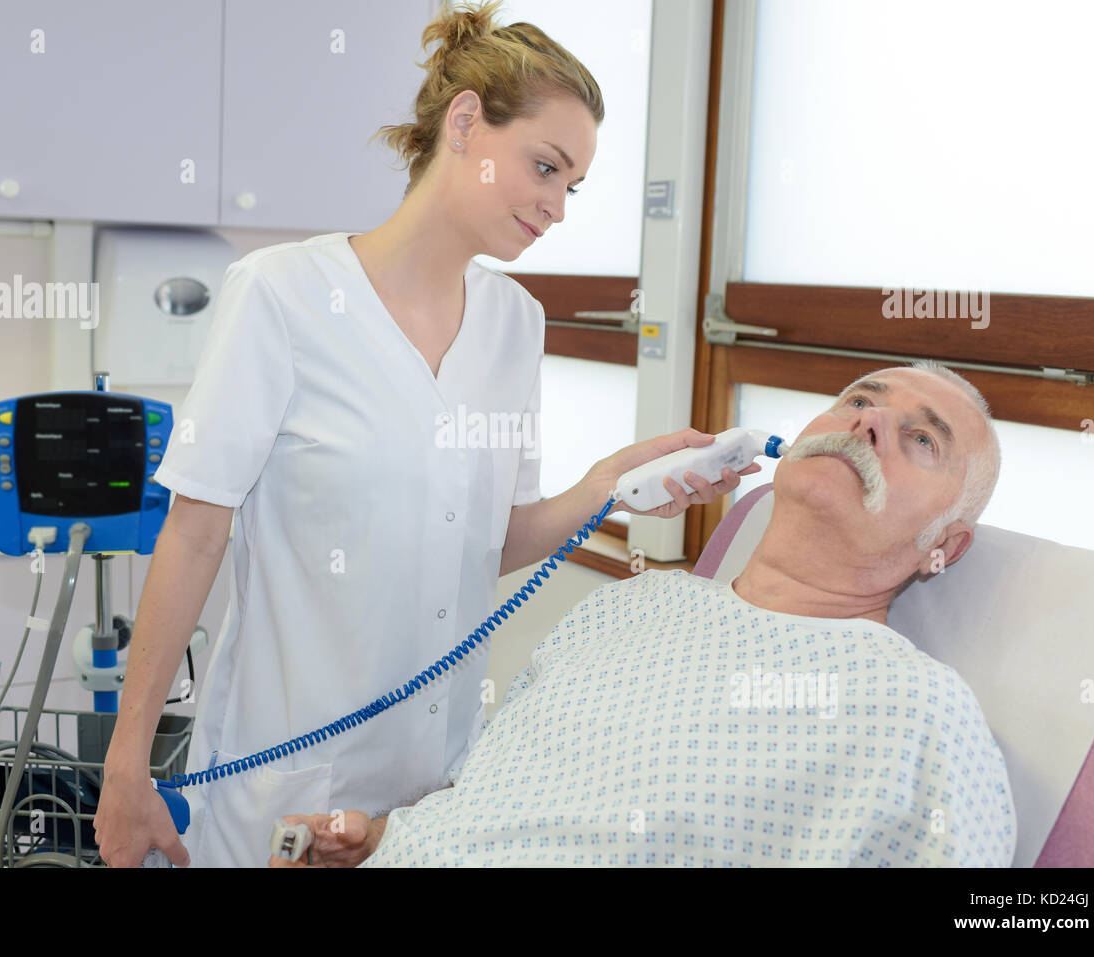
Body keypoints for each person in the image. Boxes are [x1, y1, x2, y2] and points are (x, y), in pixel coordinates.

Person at [93, 0, 758, 868]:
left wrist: (608, 482)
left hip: (443, 798)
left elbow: (494, 541)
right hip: (290, 788)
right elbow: (195, 530)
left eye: (573, 186)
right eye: (545, 167)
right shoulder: (283, 297)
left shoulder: (515, 323)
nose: (557, 205)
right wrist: (127, 760)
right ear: (467, 122)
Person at [271, 362, 1018, 867]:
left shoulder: (916, 710)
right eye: (860, 399)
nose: (868, 423)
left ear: (943, 546)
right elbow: (504, 801)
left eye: (921, 438)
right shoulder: (630, 605)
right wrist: (379, 839)